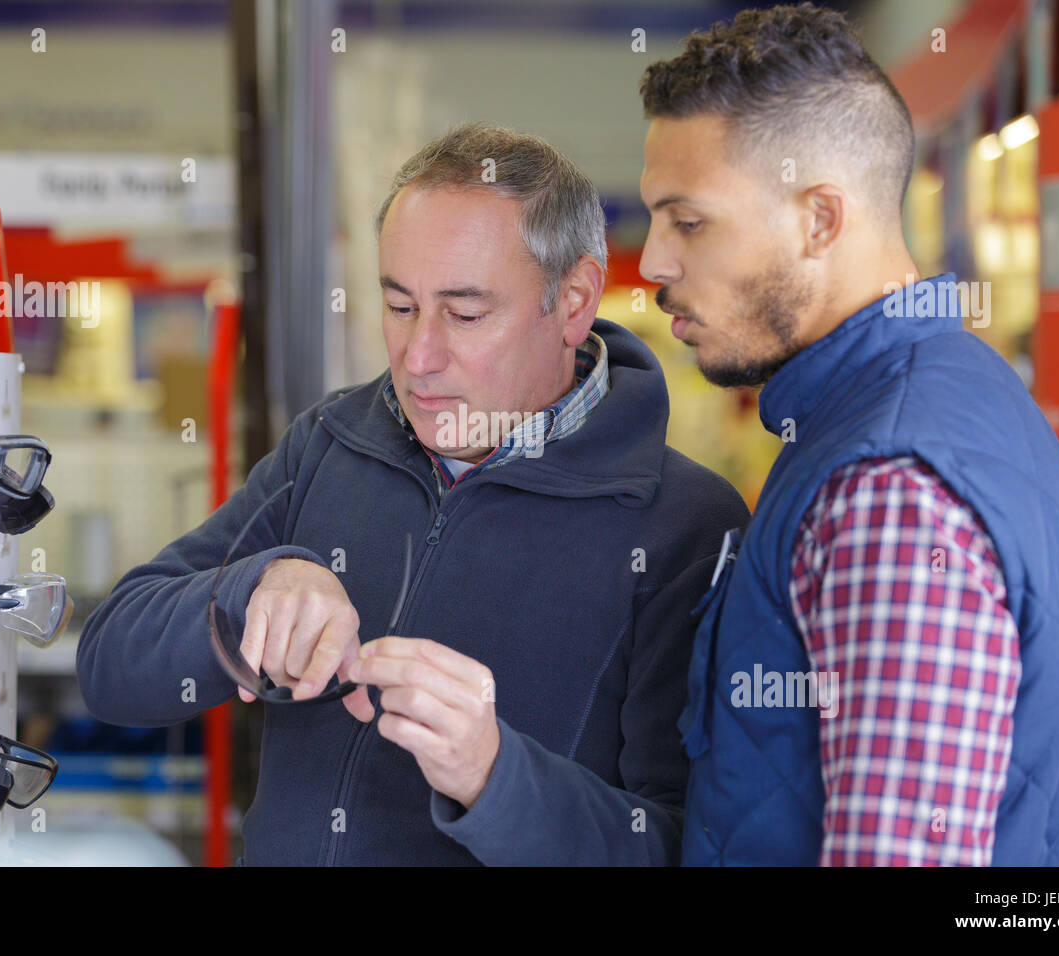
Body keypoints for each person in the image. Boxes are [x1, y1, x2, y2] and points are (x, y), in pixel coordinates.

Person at [77, 122, 750, 865]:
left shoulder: (686, 528)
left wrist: (495, 777)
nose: (419, 358)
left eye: (465, 314)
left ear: (574, 302)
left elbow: (683, 848)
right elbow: (110, 665)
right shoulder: (332, 441)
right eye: (400, 307)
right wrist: (248, 593)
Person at [638, 4, 1059, 865]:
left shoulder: (888, 488)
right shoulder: (951, 392)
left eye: (689, 222)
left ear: (820, 221)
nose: (652, 264)